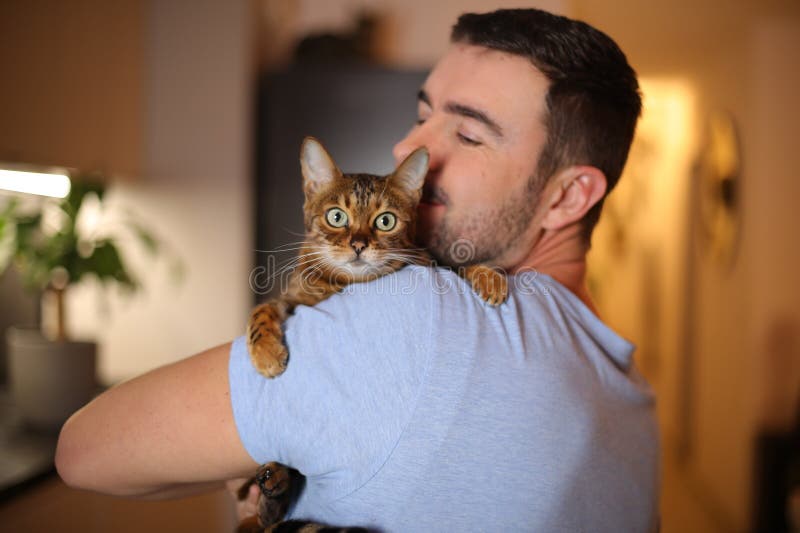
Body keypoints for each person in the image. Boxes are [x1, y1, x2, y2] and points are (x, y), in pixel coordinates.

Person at [56, 8, 659, 532]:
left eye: (468, 133)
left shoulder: (419, 316)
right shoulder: (631, 396)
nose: (407, 149)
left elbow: (82, 452)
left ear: (569, 196)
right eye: (422, 113)